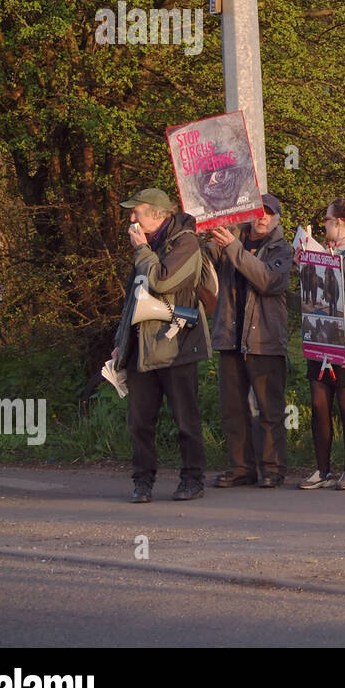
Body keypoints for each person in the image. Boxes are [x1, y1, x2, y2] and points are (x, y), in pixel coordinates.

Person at [111, 188, 210, 503]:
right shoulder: (150, 246)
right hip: (142, 346)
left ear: (156, 214)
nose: (131, 219)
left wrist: (141, 251)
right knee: (139, 421)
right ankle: (142, 482)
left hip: (176, 345)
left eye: (135, 212)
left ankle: (192, 480)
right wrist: (119, 344)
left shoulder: (186, 243)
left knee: (185, 418)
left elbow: (162, 281)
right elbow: (134, 297)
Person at [206, 192, 293, 488]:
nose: (262, 217)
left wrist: (233, 248)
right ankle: (240, 468)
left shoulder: (283, 250)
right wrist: (207, 229)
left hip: (265, 339)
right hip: (230, 337)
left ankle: (272, 468)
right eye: (258, 211)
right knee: (233, 409)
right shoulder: (231, 240)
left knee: (270, 409)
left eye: (268, 213)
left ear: (277, 218)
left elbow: (268, 281)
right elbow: (204, 260)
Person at [300, 198, 345, 490]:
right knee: (319, 401)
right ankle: (321, 469)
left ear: (339, 223)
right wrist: (305, 261)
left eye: (328, 221)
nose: (325, 225)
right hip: (323, 329)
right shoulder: (331, 251)